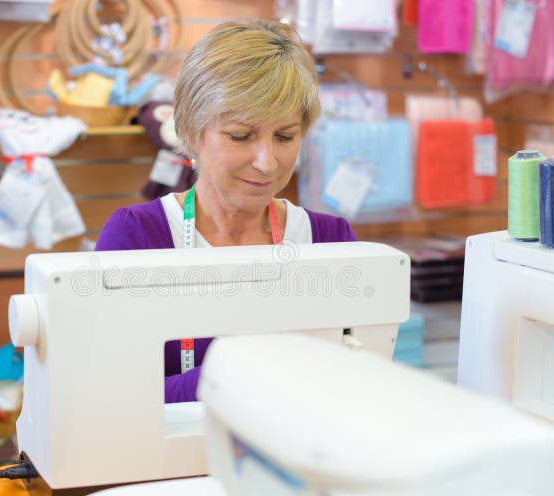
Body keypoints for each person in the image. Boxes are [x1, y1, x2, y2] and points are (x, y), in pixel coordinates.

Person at [95, 19, 357, 403]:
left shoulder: (331, 242)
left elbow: (357, 383)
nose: (267, 163)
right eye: (240, 136)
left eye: (285, 136)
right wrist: (233, 372)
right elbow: (108, 400)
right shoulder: (137, 237)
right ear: (189, 131)